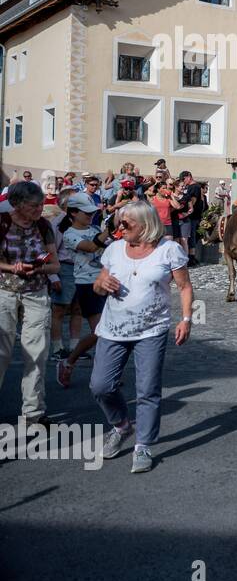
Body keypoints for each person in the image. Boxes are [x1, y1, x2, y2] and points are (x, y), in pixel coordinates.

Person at [87, 199, 192, 473]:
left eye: (125, 223)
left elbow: (184, 287)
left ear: (144, 225)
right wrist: (101, 284)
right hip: (114, 328)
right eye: (119, 222)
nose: (120, 227)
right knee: (100, 386)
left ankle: (143, 445)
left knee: (147, 389)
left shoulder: (169, 251)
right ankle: (122, 426)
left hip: (151, 329)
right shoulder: (113, 250)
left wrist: (186, 319)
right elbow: (98, 286)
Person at [0, 181, 60, 429]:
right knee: (1, 353)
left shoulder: (44, 226)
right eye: (33, 206)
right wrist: (11, 267)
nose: (39, 210)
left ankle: (34, 413)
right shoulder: (2, 223)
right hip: (4, 291)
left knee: (36, 352)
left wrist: (38, 267)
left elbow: (55, 264)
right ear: (16, 204)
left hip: (36, 292)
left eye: (41, 205)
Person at [55, 194, 112, 387]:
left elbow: (108, 249)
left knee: (110, 331)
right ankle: (69, 362)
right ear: (73, 213)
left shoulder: (95, 228)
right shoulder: (69, 234)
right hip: (87, 284)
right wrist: (109, 230)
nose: (90, 215)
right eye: (86, 212)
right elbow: (90, 247)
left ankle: (105, 374)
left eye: (92, 212)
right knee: (100, 332)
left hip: (105, 282)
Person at [175, 171, 204, 263]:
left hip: (192, 216)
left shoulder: (195, 187)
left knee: (190, 237)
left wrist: (186, 209)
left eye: (183, 179)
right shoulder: (190, 187)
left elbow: (193, 200)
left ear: (189, 177)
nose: (183, 182)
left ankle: (191, 257)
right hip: (190, 215)